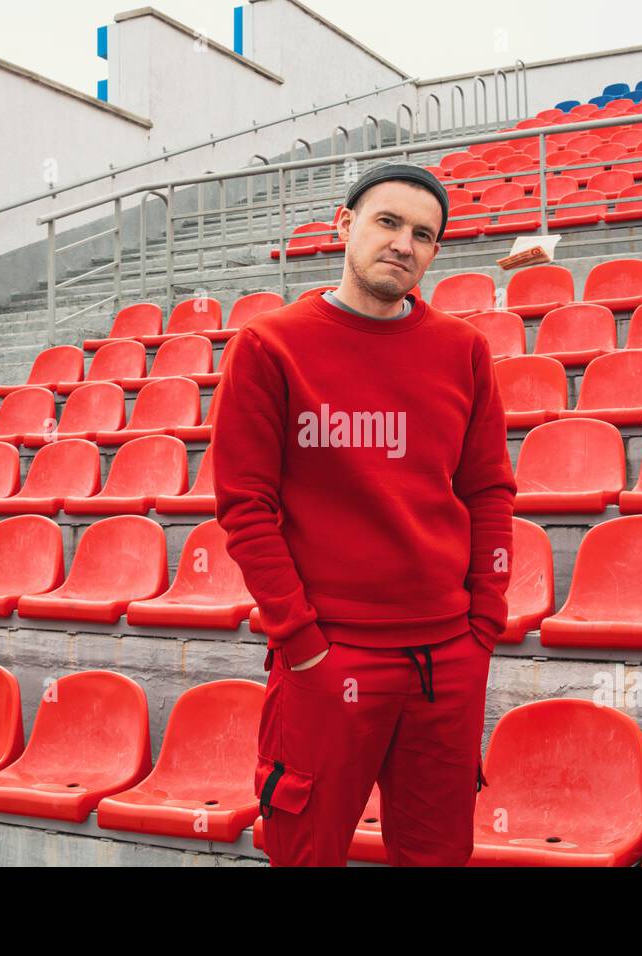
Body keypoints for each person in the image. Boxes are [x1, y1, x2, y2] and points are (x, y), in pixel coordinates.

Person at [212, 162, 516, 866]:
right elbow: (246, 508)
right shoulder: (270, 346)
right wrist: (304, 643)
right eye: (388, 223)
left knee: (438, 855)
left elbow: (488, 492)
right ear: (344, 226)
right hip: (329, 655)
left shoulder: (463, 350)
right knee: (305, 850)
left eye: (424, 235)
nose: (404, 244)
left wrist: (482, 629)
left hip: (447, 659)